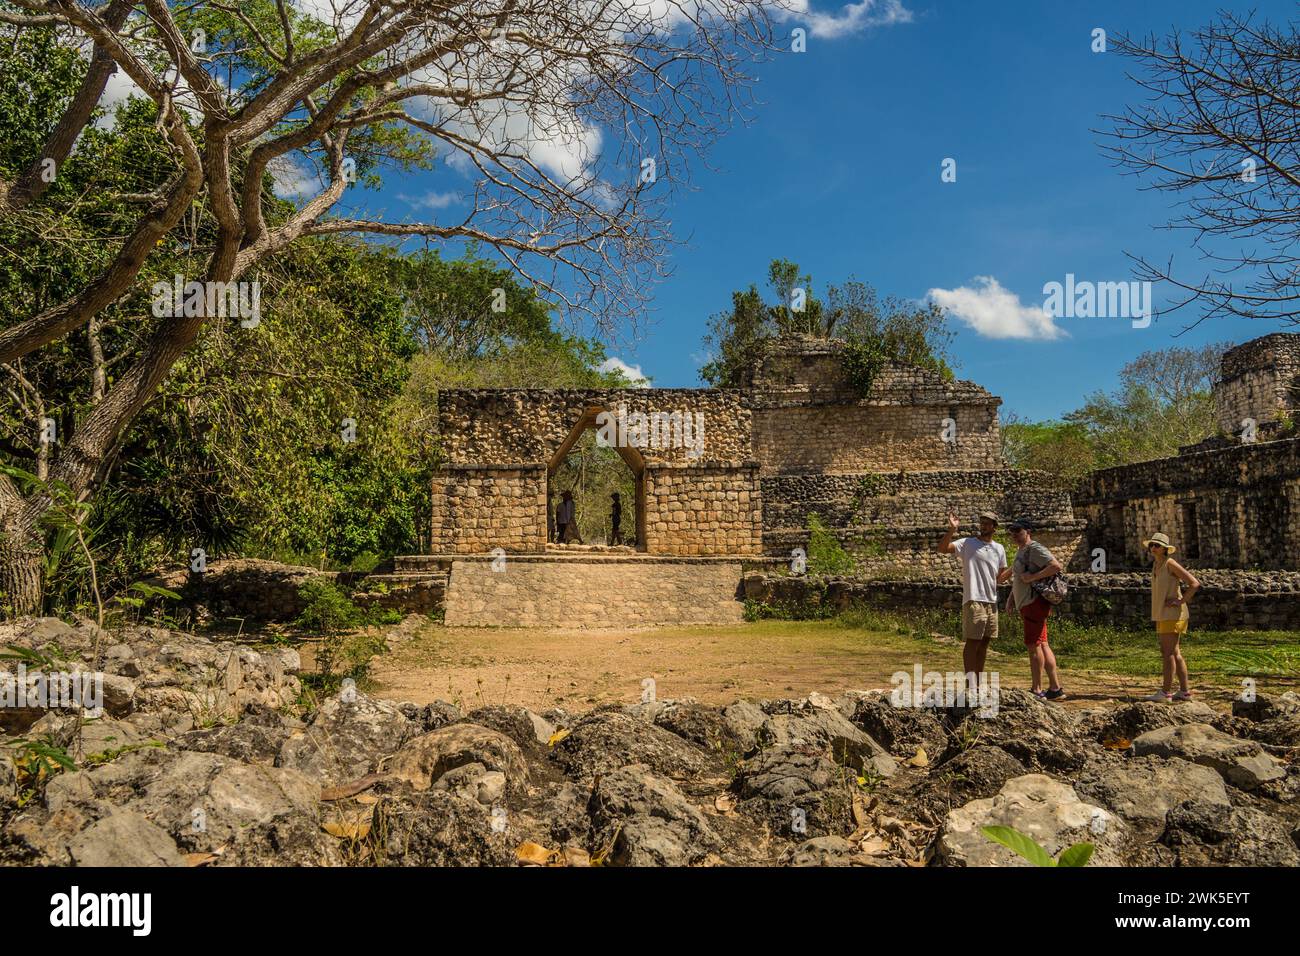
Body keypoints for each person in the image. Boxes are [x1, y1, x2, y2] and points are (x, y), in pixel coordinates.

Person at [938, 511, 1007, 692]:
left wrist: (1019, 567)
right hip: (974, 598)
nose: (984, 525)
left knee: (985, 642)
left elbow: (1000, 577)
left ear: (994, 527)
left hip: (991, 600)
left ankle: (978, 682)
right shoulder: (968, 543)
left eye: (988, 523)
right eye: (982, 522)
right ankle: (970, 684)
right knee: (973, 642)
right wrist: (951, 530)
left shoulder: (999, 549)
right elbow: (943, 549)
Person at [1005, 519, 1065, 700]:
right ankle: (1055, 688)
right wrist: (1011, 599)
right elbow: (1017, 578)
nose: (1014, 534)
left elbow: (1055, 566)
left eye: (1018, 530)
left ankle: (1037, 689)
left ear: (1028, 530)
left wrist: (1033, 577)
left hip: (1033, 603)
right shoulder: (1022, 550)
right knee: (1043, 644)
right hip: (1027, 602)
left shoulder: (1034, 548)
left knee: (1034, 646)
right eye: (1012, 531)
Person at [1143, 532, 1200, 701]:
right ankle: (1184, 691)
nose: (1153, 548)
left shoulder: (1170, 563)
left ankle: (1166, 691)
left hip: (1172, 615)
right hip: (1163, 613)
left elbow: (1194, 583)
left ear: (1165, 549)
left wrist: (1181, 601)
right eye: (1151, 545)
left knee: (1167, 653)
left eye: (1157, 545)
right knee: (1174, 652)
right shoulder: (1157, 564)